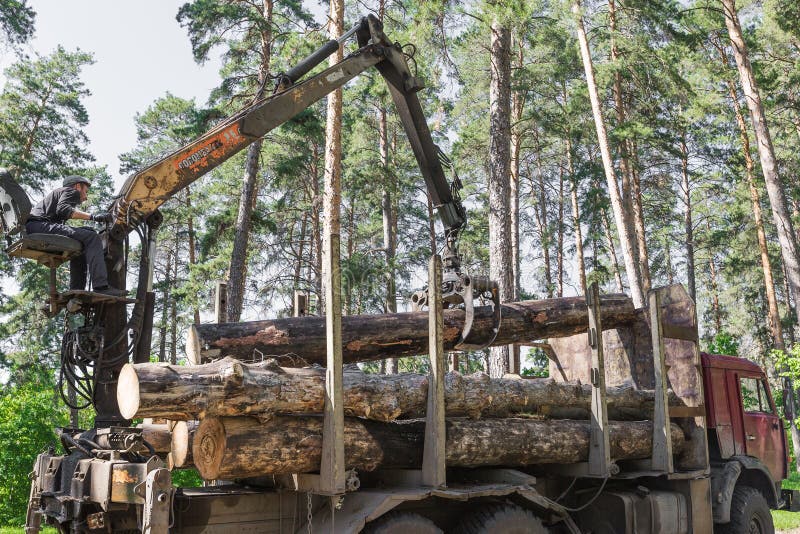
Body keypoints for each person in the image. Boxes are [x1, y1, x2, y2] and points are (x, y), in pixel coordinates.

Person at [25, 175, 126, 296]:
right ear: (78, 186)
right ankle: (101, 286)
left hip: (37, 227)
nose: (86, 197)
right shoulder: (71, 191)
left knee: (87, 235)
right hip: (41, 226)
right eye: (86, 191)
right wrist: (93, 217)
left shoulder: (60, 193)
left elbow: (62, 211)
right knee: (92, 237)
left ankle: (77, 289)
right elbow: (63, 210)